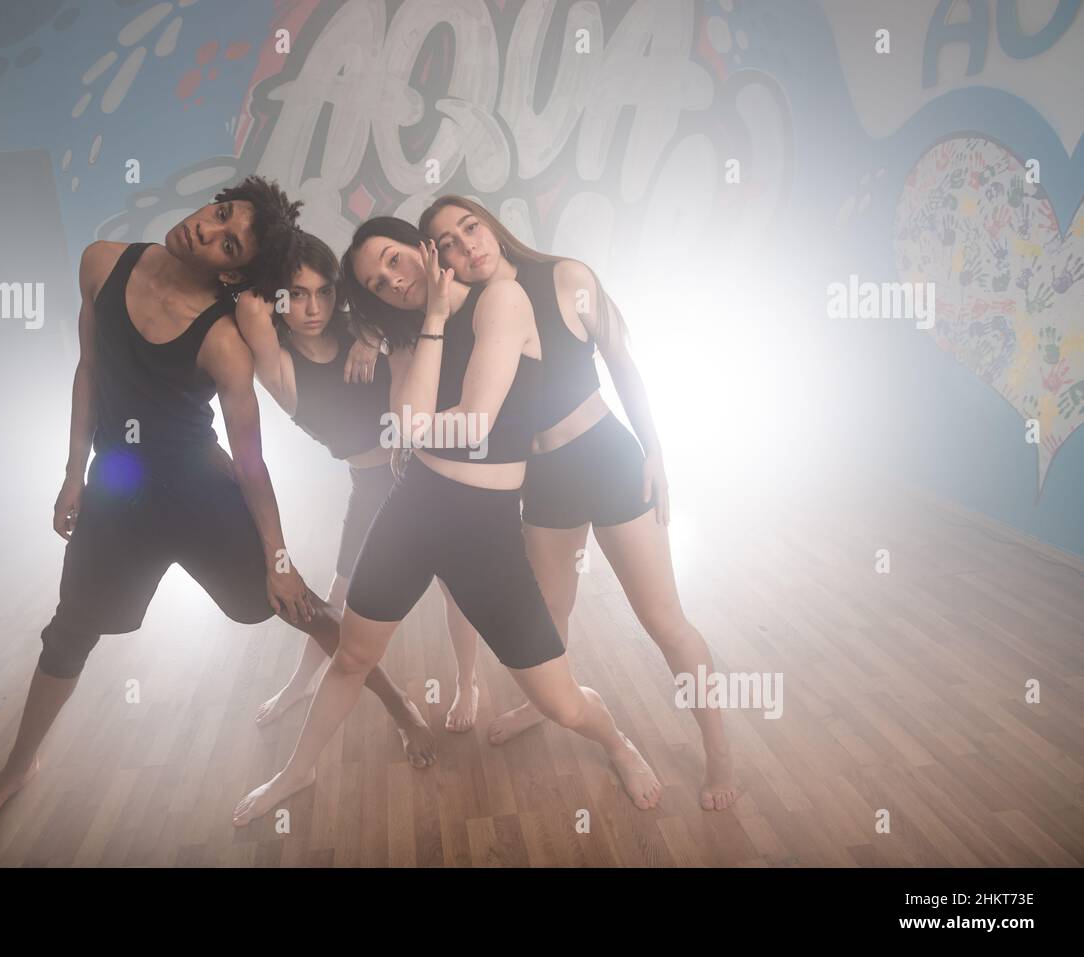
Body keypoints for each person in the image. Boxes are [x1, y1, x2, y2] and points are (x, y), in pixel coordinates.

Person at [0, 179, 434, 842]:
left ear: (232, 268)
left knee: (304, 608)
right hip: (117, 491)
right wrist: (71, 473)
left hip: (202, 494)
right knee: (68, 633)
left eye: (229, 241)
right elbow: (89, 369)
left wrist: (280, 559)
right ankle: (17, 764)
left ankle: (401, 706)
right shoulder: (100, 261)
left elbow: (250, 462)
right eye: (221, 213)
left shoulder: (225, 340)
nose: (208, 230)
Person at [232, 217, 662, 826]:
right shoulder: (409, 334)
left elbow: (472, 423)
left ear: (423, 249)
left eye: (393, 260)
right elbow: (406, 420)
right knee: (352, 656)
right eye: (376, 282)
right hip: (413, 508)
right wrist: (426, 323)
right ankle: (297, 771)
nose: (390, 279)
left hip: (485, 532)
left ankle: (617, 742)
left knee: (560, 702)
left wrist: (415, 400)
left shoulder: (501, 302)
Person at [420, 196, 739, 811]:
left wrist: (655, 451)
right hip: (542, 482)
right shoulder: (464, 311)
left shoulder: (566, 277)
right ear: (442, 260)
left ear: (490, 224)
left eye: (470, 227)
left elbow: (624, 364)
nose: (467, 246)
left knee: (663, 620)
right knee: (550, 619)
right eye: (450, 244)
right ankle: (547, 706)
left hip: (607, 460)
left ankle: (719, 750)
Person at [233, 231, 482, 732]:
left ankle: (467, 683)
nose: (312, 308)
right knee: (338, 595)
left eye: (324, 292)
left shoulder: (359, 328)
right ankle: (301, 681)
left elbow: (404, 327)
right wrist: (271, 263)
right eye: (296, 295)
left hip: (423, 473)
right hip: (369, 484)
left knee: (455, 588)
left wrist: (370, 335)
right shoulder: (279, 367)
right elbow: (250, 308)